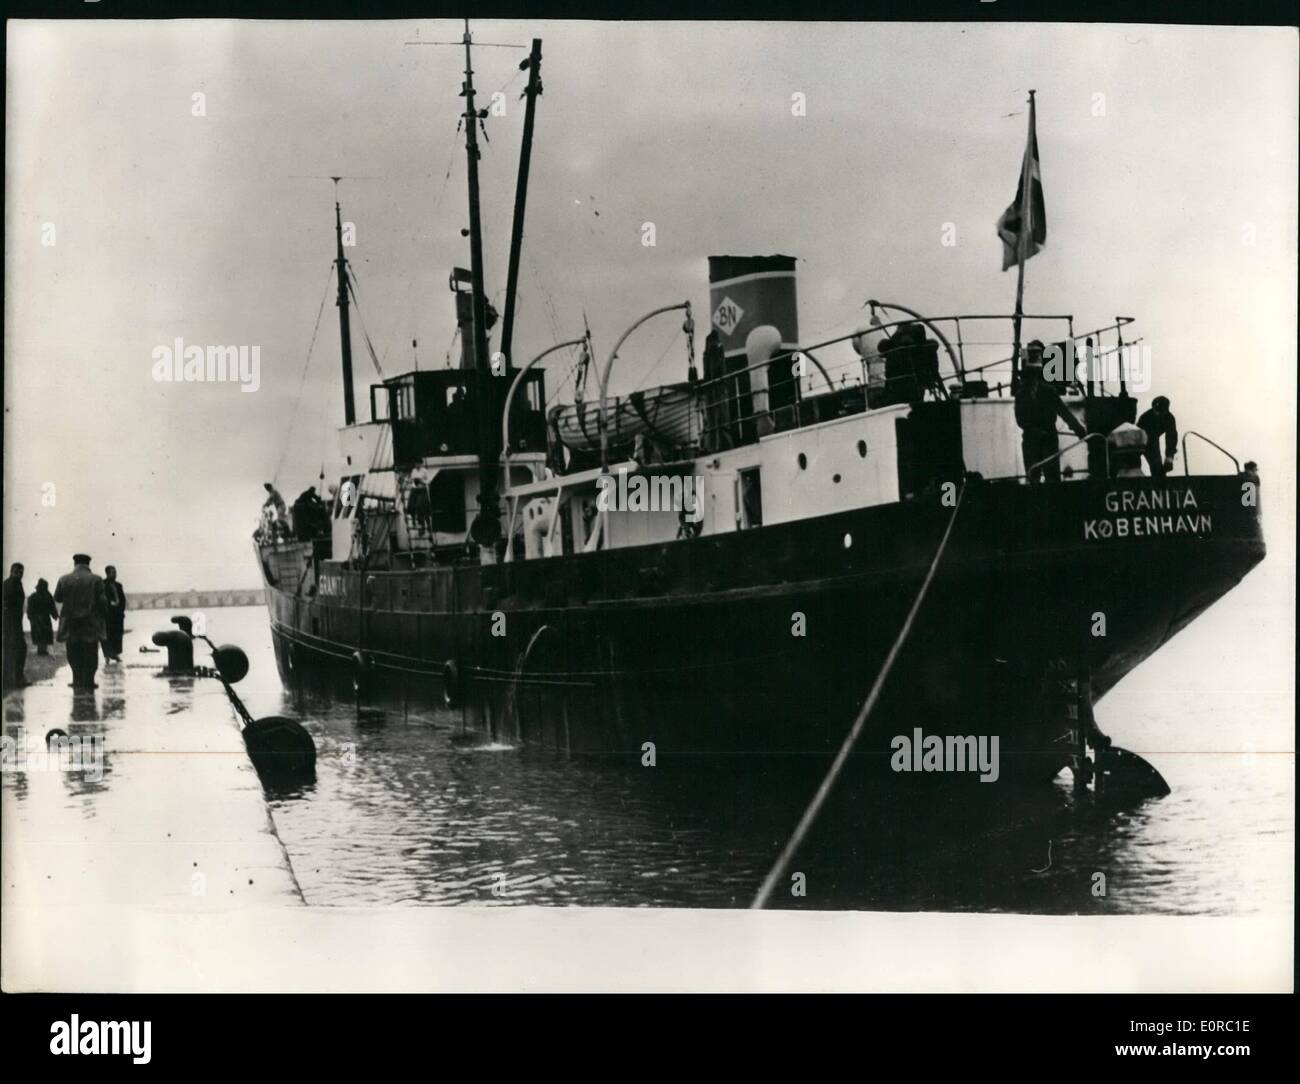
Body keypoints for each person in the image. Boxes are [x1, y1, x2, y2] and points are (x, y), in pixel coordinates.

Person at [1015, 342, 1088, 483]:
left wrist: (1080, 431)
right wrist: (1081, 432)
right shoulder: (1032, 392)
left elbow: (1020, 420)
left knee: (1043, 478)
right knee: (1043, 478)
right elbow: (1065, 414)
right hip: (1040, 439)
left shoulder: (1025, 393)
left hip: (1038, 440)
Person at [55, 554, 107, 691]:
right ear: (88, 564)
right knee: (90, 651)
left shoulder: (64, 579)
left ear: (75, 563)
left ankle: (76, 679)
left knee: (73, 651)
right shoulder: (96, 579)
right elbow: (102, 602)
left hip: (71, 623)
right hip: (90, 622)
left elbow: (58, 598)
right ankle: (89, 681)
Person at [1137, 396, 1178, 478]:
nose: (1159, 414)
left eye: (1162, 412)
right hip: (1139, 439)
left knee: (1157, 469)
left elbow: (1171, 437)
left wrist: (1169, 457)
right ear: (1153, 408)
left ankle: (1160, 485)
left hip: (1153, 439)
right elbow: (1138, 435)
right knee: (1134, 464)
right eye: (1157, 411)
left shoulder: (1169, 418)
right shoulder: (1145, 417)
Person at [3, 563, 27, 688]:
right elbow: (7, 603)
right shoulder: (10, 584)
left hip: (15, 621)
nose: (20, 574)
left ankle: (12, 678)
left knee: (13, 649)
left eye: (21, 572)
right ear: (11, 571)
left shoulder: (15, 583)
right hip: (11, 622)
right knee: (19, 649)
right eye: (17, 572)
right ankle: (17, 678)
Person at [26, 578, 58, 656]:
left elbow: (29, 610)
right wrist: (55, 615)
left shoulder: (32, 596)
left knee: (39, 635)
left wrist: (30, 618)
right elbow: (52, 608)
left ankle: (41, 650)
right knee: (45, 634)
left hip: (36, 619)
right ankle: (42, 650)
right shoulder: (48, 596)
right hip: (45, 619)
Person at [102, 565, 127, 662]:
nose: (115, 574)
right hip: (108, 615)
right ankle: (107, 656)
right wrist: (110, 603)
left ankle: (116, 654)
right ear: (107, 573)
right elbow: (102, 599)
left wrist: (121, 610)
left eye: (115, 572)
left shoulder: (118, 585)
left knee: (118, 634)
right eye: (113, 572)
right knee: (107, 635)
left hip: (118, 615)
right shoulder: (102, 584)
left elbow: (123, 599)